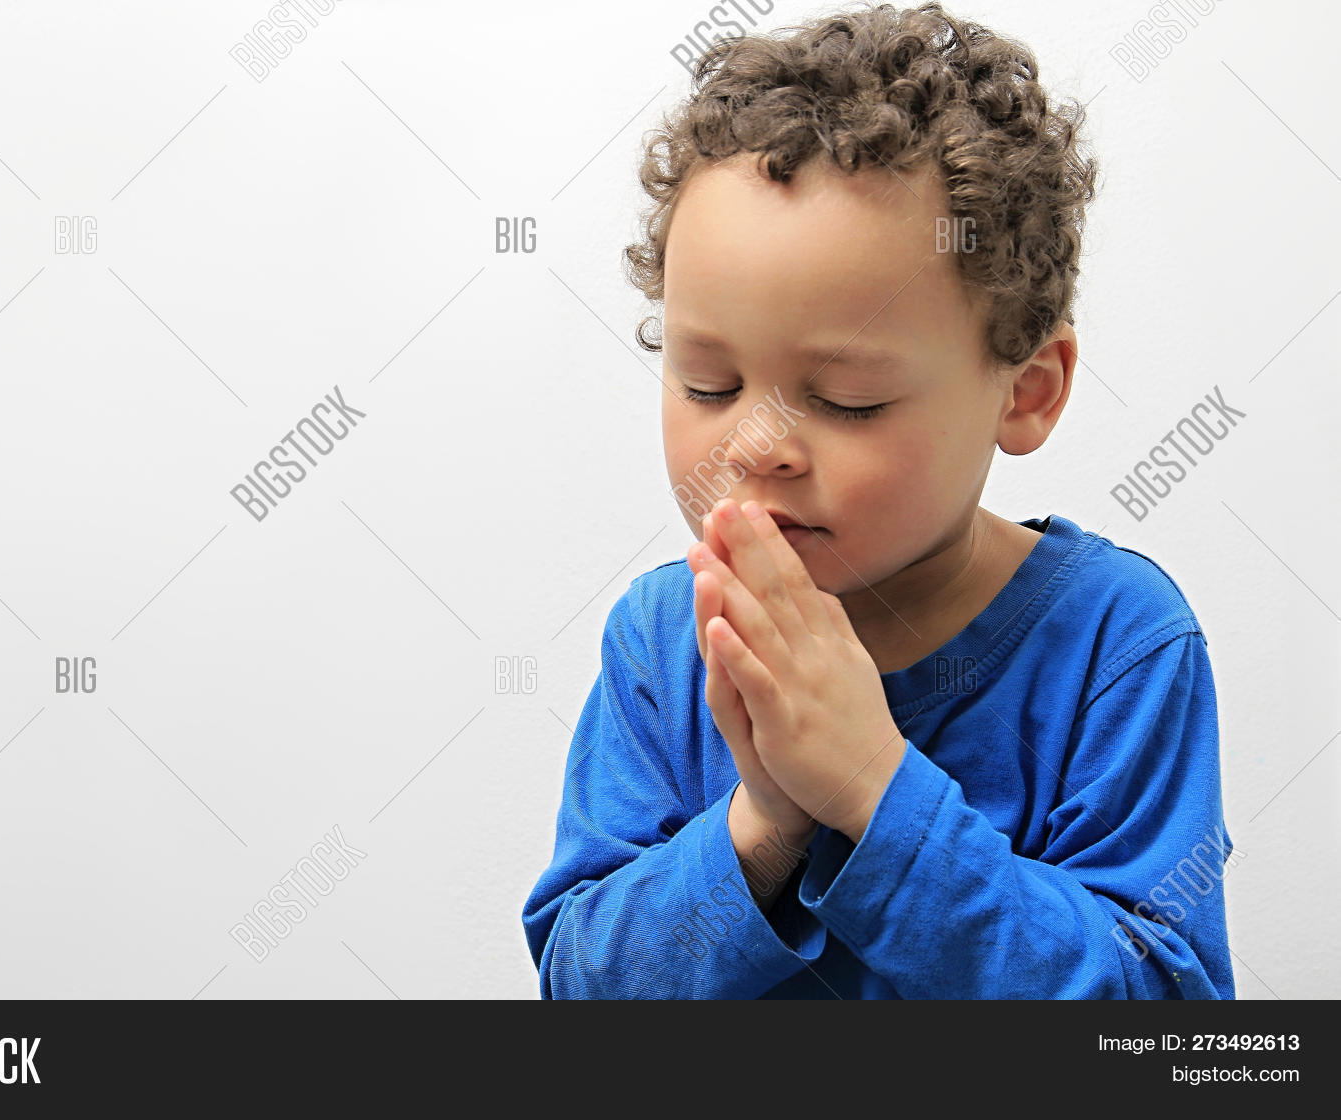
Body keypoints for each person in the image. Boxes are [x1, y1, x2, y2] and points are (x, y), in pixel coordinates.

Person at [522, 1, 1236, 998]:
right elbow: (586, 986)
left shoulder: (1118, 643)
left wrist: (873, 789)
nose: (754, 447)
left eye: (846, 400)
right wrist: (766, 821)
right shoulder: (661, 639)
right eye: (707, 385)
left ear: (1025, 390)